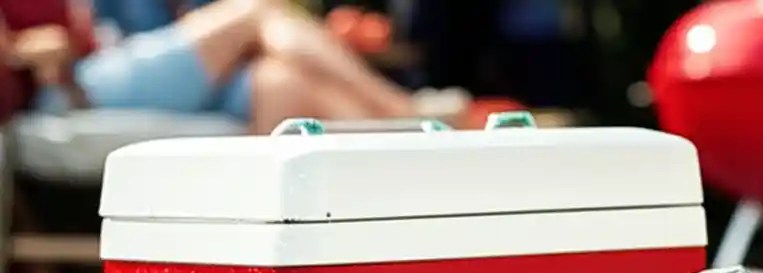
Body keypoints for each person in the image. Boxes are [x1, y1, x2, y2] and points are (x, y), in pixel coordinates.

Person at [29, 0, 467, 133]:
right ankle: (406, 111)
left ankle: (414, 152)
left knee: (281, 82)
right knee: (257, 12)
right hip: (82, 81)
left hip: (185, 69)